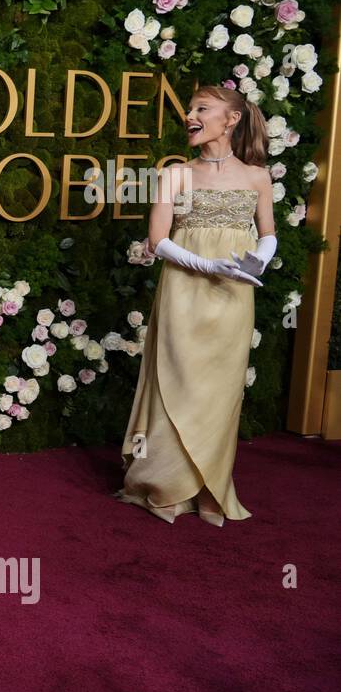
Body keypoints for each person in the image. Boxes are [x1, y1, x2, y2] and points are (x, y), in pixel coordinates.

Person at [117, 85, 276, 527]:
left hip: (234, 294)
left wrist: (256, 262)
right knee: (176, 381)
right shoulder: (175, 174)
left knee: (221, 391)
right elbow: (159, 240)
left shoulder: (258, 177)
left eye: (202, 109)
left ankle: (211, 487)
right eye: (190, 109)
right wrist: (206, 264)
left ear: (231, 120)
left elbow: (268, 232)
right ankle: (164, 485)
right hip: (184, 290)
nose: (190, 114)